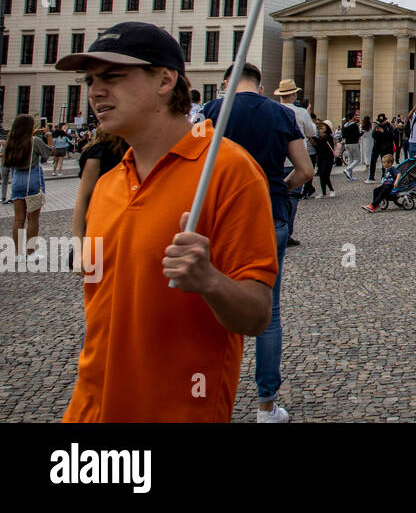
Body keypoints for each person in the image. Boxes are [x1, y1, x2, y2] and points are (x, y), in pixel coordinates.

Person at [55, 22, 277, 422]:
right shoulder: (108, 185)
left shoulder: (229, 171)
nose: (95, 92)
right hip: (88, 409)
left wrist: (209, 280)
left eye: (113, 77)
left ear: (165, 79)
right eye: (90, 80)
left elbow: (257, 315)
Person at [202, 61, 313, 423]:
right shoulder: (281, 113)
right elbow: (305, 171)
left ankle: (205, 397)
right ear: (261, 87)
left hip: (222, 216)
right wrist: (279, 189)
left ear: (226, 85)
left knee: (212, 304)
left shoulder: (211, 111)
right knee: (269, 312)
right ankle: (266, 405)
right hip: (271, 213)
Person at [71, 128, 129, 265]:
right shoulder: (99, 152)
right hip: (103, 221)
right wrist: (79, 249)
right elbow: (83, 198)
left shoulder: (137, 148)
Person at [2, 114, 51, 265]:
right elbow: (49, 152)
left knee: (18, 219)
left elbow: (7, 163)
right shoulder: (34, 141)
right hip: (32, 181)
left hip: (16, 182)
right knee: (33, 219)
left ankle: (18, 254)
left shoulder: (10, 143)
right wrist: (48, 134)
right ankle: (31, 252)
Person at [272, 79, 316, 247]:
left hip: (276, 160)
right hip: (295, 160)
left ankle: (274, 229)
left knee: (274, 195)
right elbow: (311, 131)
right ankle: (286, 233)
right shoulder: (300, 112)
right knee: (292, 197)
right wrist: (307, 113)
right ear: (293, 94)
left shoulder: (273, 109)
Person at [313, 119, 339, 198]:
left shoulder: (328, 136)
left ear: (327, 127)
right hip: (321, 157)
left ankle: (332, 190)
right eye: (320, 127)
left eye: (323, 126)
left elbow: (321, 141)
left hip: (328, 157)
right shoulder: (321, 136)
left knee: (325, 174)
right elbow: (317, 146)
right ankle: (323, 192)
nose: (321, 128)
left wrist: (311, 136)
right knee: (321, 174)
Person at [369, 113, 397, 182]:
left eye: (382, 121)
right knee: (373, 160)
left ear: (385, 120)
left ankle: (384, 175)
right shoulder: (377, 126)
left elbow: (391, 136)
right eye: (380, 121)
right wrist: (376, 132)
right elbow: (373, 136)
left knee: (384, 162)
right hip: (377, 145)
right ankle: (371, 176)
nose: (381, 123)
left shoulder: (389, 126)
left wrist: (383, 131)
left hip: (386, 146)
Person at [340, 112, 361, 181]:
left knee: (350, 160)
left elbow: (343, 135)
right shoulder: (354, 125)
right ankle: (347, 169)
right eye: (355, 115)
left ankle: (350, 176)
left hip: (347, 143)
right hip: (354, 143)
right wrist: (362, 133)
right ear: (352, 117)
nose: (356, 116)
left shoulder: (345, 125)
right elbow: (357, 135)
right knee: (357, 159)